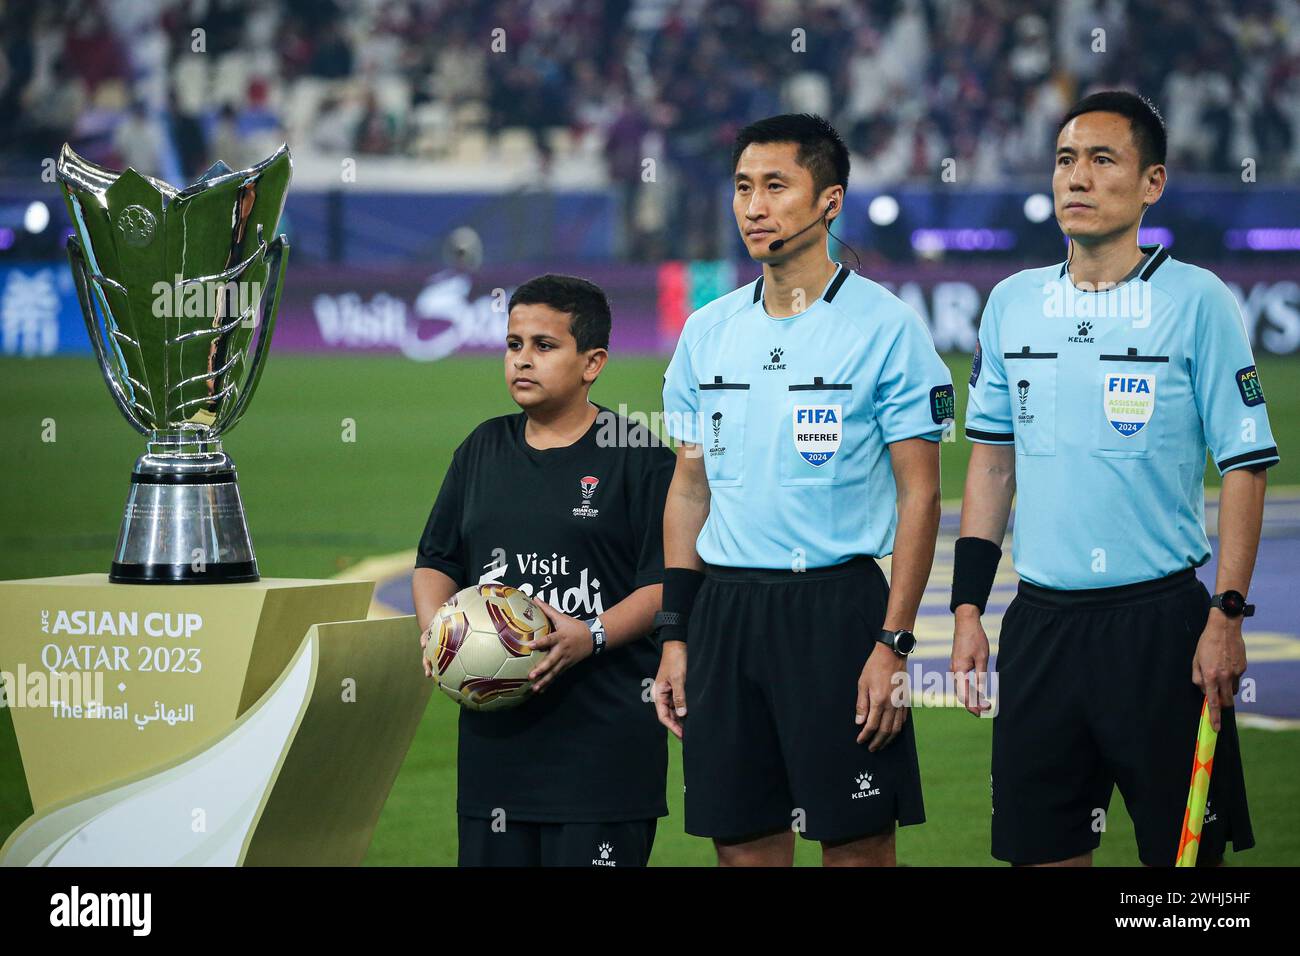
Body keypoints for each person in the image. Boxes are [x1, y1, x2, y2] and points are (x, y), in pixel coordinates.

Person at [952, 91, 1277, 866]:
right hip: (1040, 629)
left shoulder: (1197, 300)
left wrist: (1226, 614)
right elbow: (992, 463)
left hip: (1161, 630)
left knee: (1185, 873)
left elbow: (1245, 461)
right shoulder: (1011, 304)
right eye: (1066, 160)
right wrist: (968, 608)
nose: (1078, 177)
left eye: (1103, 160)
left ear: (1152, 183)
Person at [655, 113, 953, 867]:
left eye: (776, 186)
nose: (754, 206)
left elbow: (921, 497)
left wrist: (893, 644)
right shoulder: (706, 331)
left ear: (829, 201)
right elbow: (689, 490)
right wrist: (676, 633)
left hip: (837, 615)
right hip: (725, 613)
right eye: (743, 188)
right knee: (743, 848)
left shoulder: (887, 328)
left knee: (856, 848)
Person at [413, 274, 673, 867]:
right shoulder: (482, 449)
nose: (522, 361)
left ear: (593, 362)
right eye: (513, 345)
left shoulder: (639, 458)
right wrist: (439, 636)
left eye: (544, 346)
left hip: (602, 752)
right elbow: (436, 561)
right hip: (495, 755)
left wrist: (592, 634)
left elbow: (667, 582)